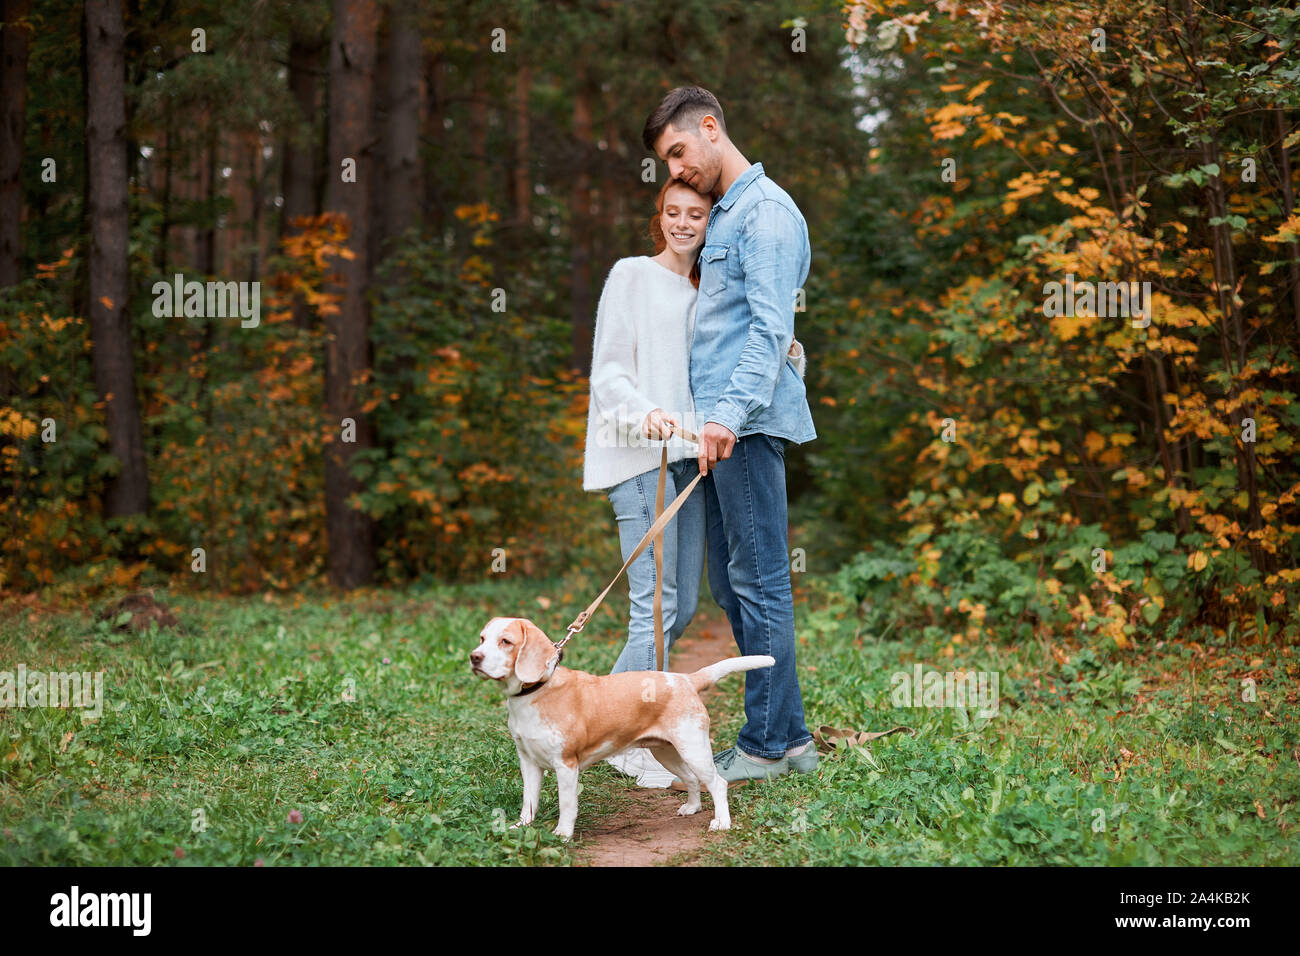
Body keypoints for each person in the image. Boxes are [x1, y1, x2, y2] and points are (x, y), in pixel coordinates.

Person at [641, 85, 818, 783]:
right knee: (734, 581)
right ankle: (793, 738)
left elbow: (771, 331)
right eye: (666, 161)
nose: (676, 170)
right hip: (715, 432)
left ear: (711, 128)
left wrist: (724, 416)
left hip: (741, 428)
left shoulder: (764, 215)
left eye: (679, 152)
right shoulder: (726, 216)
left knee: (759, 583)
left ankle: (764, 747)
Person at [581, 176, 714, 788]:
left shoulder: (704, 290)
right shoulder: (631, 275)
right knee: (654, 608)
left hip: (686, 461)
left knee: (680, 606)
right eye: (673, 212)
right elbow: (608, 372)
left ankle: (598, 720)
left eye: (697, 214)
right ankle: (630, 740)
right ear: (657, 217)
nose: (684, 223)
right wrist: (645, 414)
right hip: (638, 458)